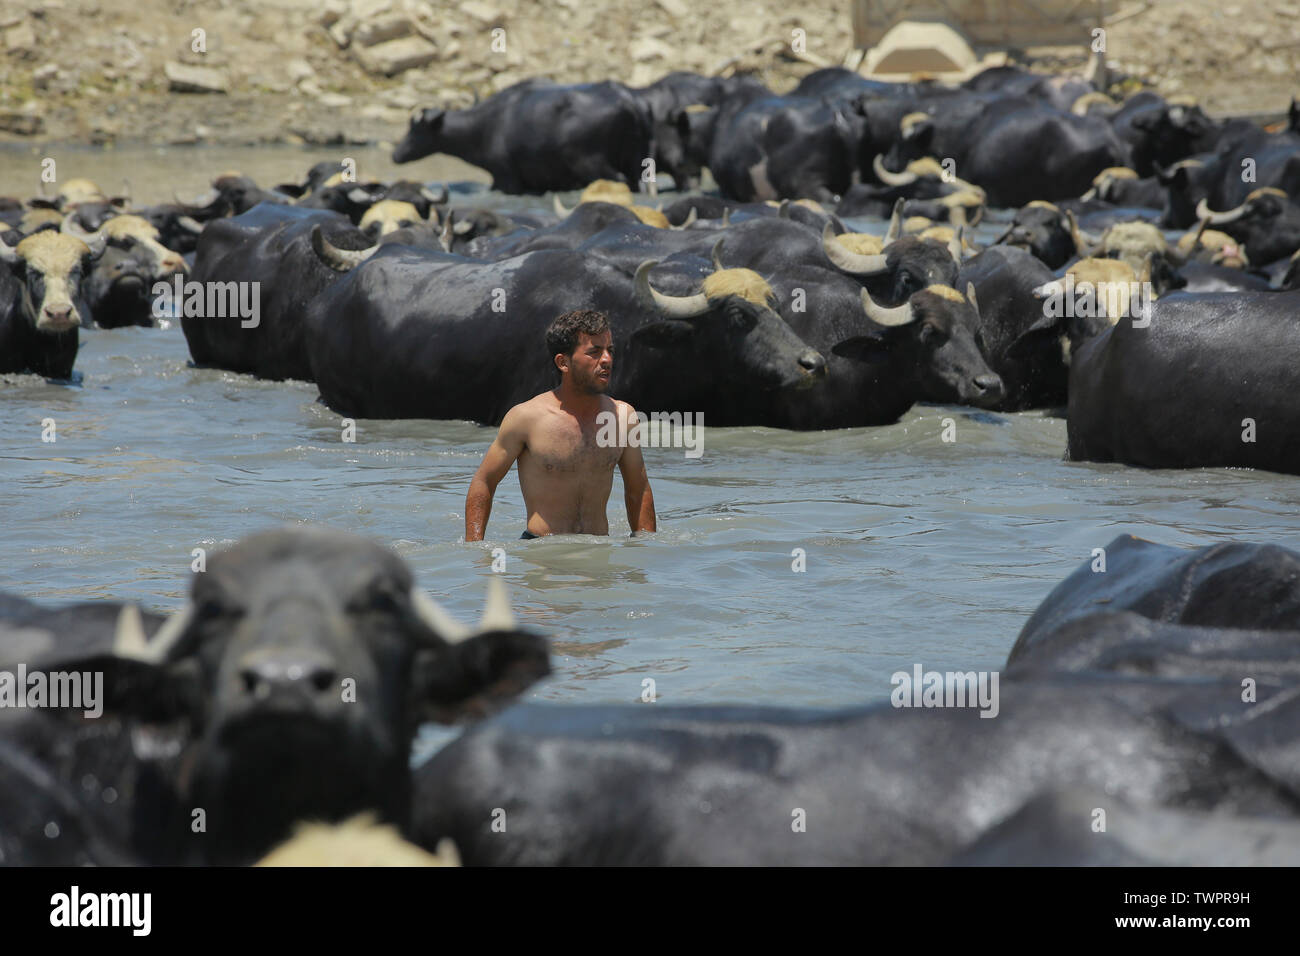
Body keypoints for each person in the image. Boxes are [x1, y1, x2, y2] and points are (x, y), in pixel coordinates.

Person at [464, 309, 656, 541]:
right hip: (543, 553)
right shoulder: (526, 418)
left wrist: (646, 552)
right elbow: (484, 481)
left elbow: (638, 488)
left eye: (610, 351)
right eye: (594, 352)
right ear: (563, 362)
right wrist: (475, 552)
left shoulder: (623, 417)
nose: (607, 359)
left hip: (598, 552)